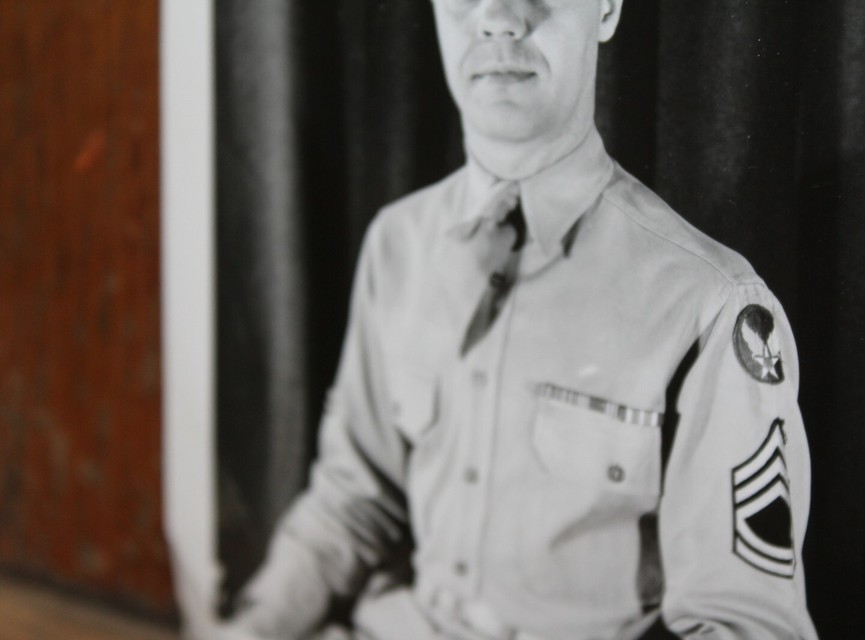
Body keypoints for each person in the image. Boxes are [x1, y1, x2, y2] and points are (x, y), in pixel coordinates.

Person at [220, 0, 819, 638]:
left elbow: (745, 627)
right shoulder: (397, 245)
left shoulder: (711, 306)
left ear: (608, 9)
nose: (499, 16)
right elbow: (349, 507)